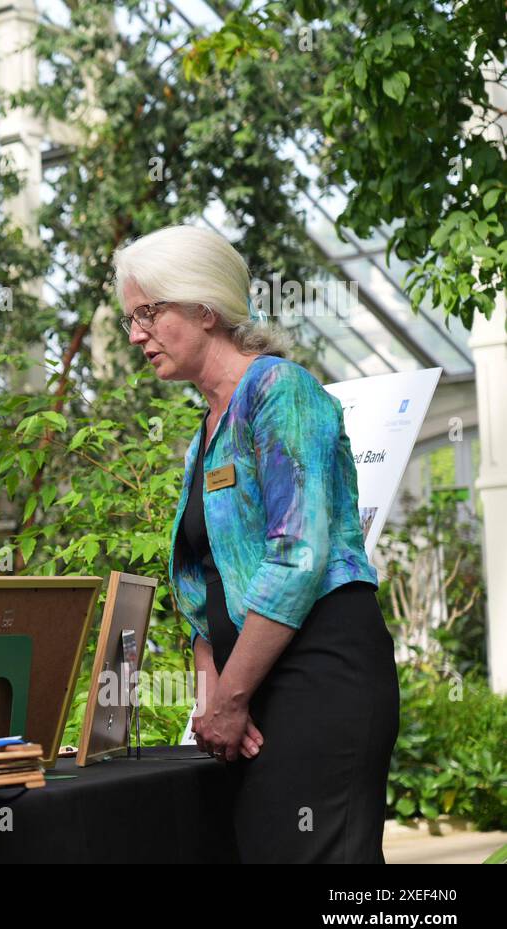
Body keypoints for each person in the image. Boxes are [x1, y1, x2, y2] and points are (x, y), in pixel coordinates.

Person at [113, 224, 400, 863]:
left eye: (149, 314)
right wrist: (214, 695)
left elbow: (297, 558)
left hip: (319, 676)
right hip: (252, 686)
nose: (136, 335)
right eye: (131, 319)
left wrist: (232, 696)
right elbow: (198, 585)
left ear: (205, 306)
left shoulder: (279, 391)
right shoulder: (205, 434)